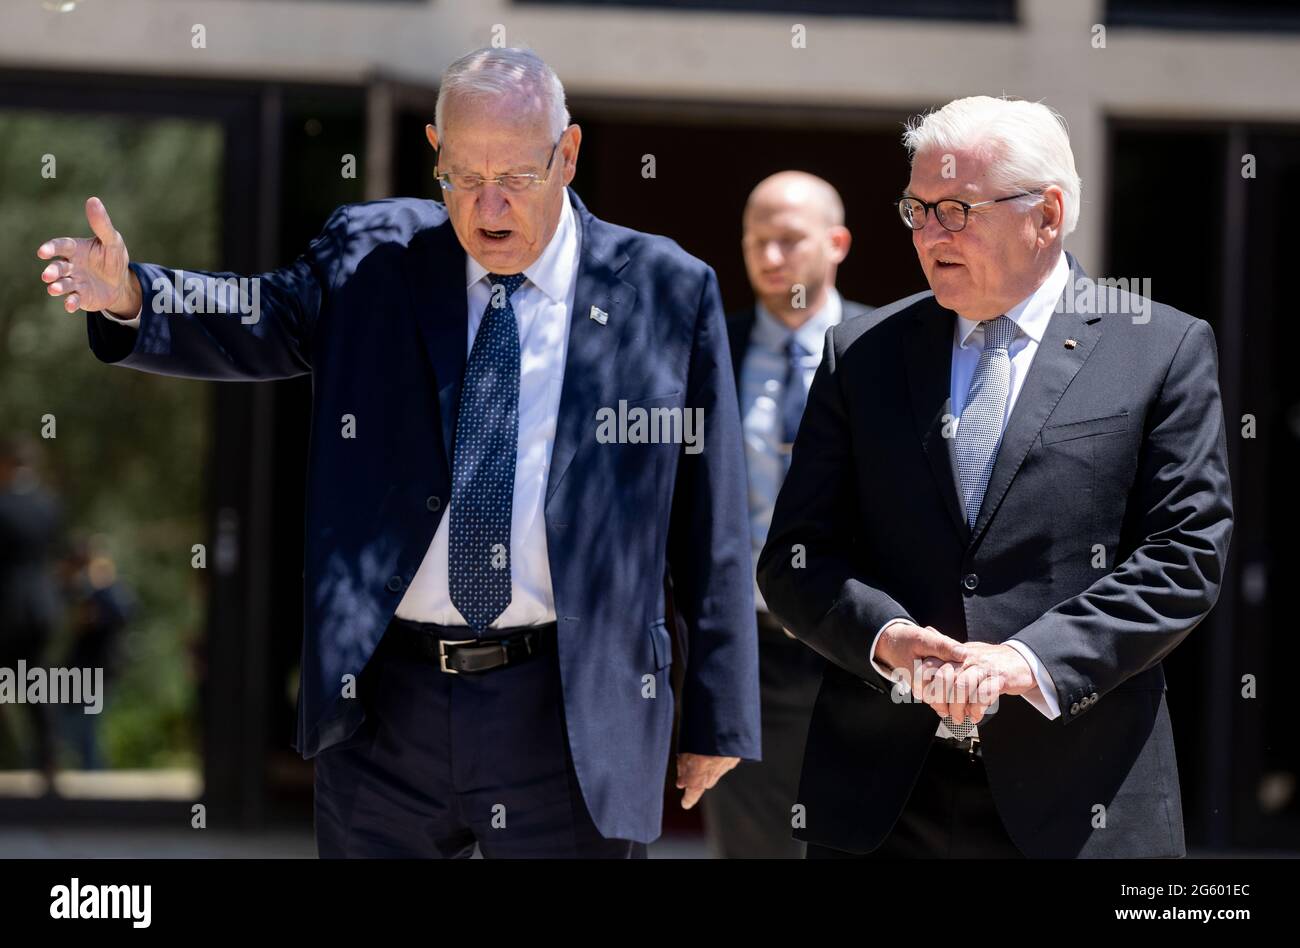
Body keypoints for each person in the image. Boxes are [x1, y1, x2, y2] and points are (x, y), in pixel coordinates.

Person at [37, 46, 760, 858]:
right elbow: (261, 315)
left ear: (569, 153)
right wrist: (137, 293)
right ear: (434, 152)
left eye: (516, 179)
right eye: (462, 177)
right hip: (389, 707)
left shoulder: (665, 288)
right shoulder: (374, 255)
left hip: (570, 708)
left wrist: (718, 712)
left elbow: (713, 521)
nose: (488, 208)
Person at [757, 95, 1233, 858]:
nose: (929, 235)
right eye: (917, 210)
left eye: (955, 209)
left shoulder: (1161, 349)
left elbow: (1184, 560)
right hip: (883, 801)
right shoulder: (863, 353)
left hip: (1080, 800)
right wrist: (890, 640)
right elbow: (794, 559)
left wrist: (1025, 660)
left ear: (1046, 215)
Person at [705, 171, 871, 858]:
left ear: (836, 244)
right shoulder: (709, 346)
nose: (770, 259)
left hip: (857, 646)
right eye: (755, 242)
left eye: (788, 241)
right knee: (752, 844)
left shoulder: (889, 346)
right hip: (745, 645)